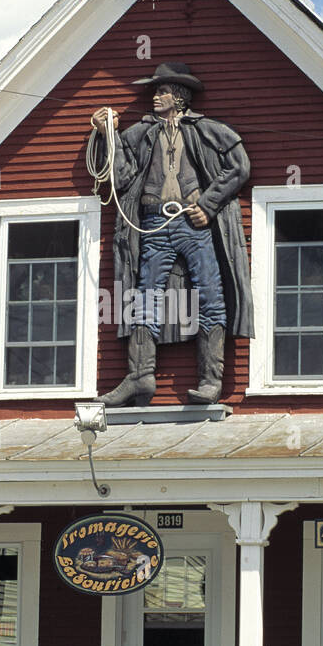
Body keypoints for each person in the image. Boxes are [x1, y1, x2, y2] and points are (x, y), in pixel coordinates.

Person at [90, 62, 253, 405]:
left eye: (162, 91)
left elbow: (239, 166)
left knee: (211, 296)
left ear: (178, 97)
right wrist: (108, 135)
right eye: (155, 91)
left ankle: (211, 380)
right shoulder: (141, 133)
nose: (155, 96)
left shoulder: (206, 129)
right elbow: (119, 178)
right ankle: (139, 376)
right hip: (153, 224)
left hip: (193, 224)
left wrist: (208, 205)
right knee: (144, 298)